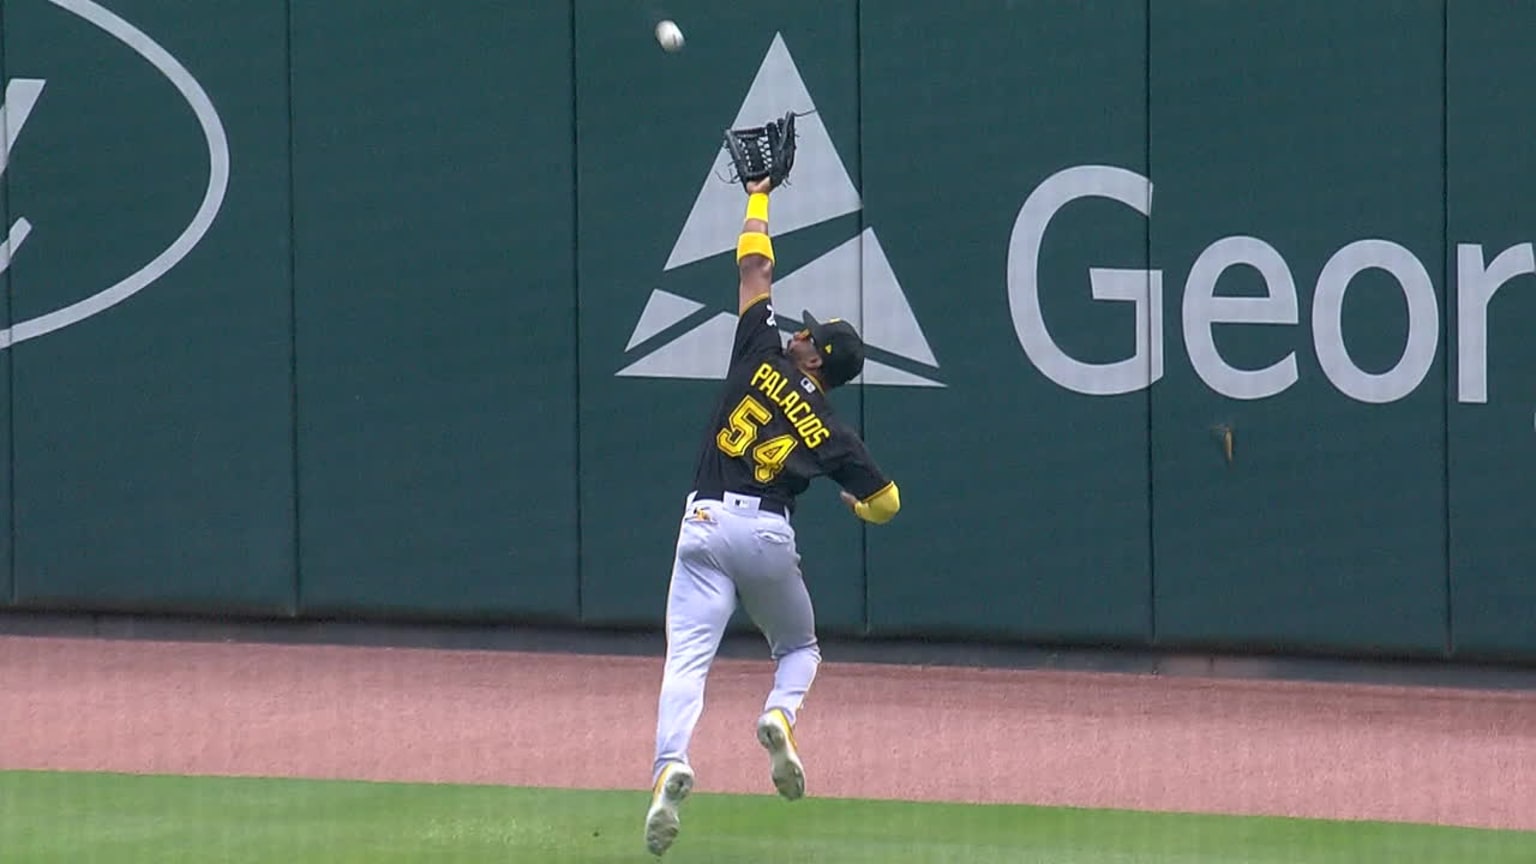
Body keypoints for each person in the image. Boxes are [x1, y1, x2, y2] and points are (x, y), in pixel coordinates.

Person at [642, 176, 903, 856]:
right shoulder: (831, 428)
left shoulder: (757, 347)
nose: (800, 333)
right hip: (766, 533)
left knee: (687, 661)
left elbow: (754, 264)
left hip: (701, 526)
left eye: (810, 334)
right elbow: (888, 502)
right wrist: (854, 502)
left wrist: (758, 194)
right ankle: (779, 718)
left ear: (815, 355)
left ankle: (671, 765)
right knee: (799, 649)